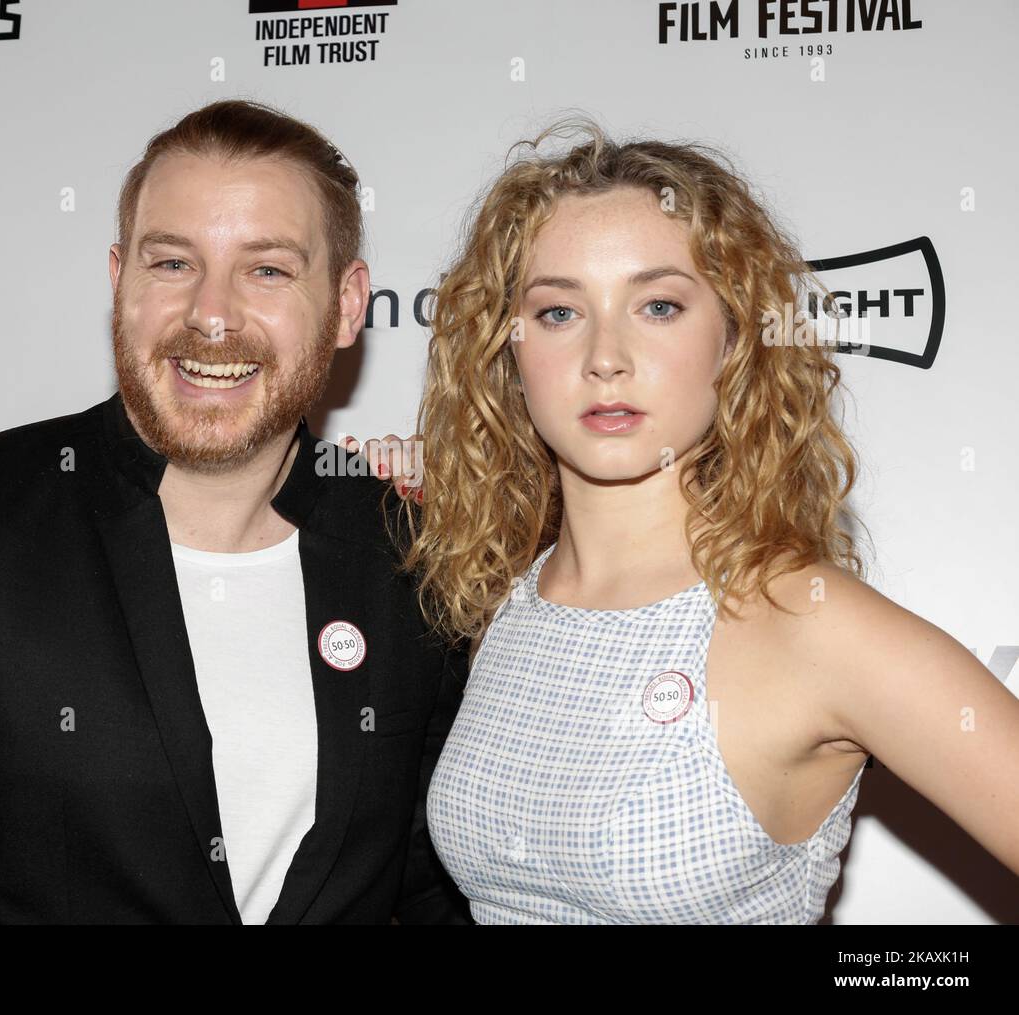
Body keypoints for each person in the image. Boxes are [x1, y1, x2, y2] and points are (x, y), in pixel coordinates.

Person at [0, 99, 471, 925]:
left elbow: (433, 893)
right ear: (119, 281)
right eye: (172, 263)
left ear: (349, 304)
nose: (212, 315)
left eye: (267, 269)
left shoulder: (411, 554)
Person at [348, 118, 1019, 923]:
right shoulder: (503, 607)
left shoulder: (809, 626)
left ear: (735, 339)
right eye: (559, 313)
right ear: (508, 353)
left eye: (659, 305)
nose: (606, 356)